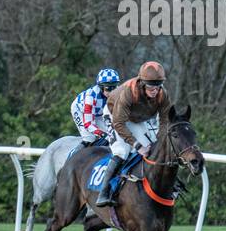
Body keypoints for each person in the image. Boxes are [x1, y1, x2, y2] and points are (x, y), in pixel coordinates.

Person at [95, 61, 171, 208]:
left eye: (158, 84)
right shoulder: (129, 92)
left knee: (153, 148)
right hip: (115, 116)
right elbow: (119, 124)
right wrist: (136, 145)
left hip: (136, 118)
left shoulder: (162, 94)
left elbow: (164, 122)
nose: (155, 89)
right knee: (122, 151)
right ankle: (103, 193)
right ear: (142, 83)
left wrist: (159, 142)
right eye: (151, 85)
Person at [71, 68, 121, 145]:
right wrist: (102, 134)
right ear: (101, 87)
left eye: (114, 87)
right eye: (108, 88)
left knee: (112, 136)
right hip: (80, 110)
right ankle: (74, 156)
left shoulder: (119, 94)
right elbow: (88, 124)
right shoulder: (91, 97)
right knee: (90, 138)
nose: (112, 92)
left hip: (98, 113)